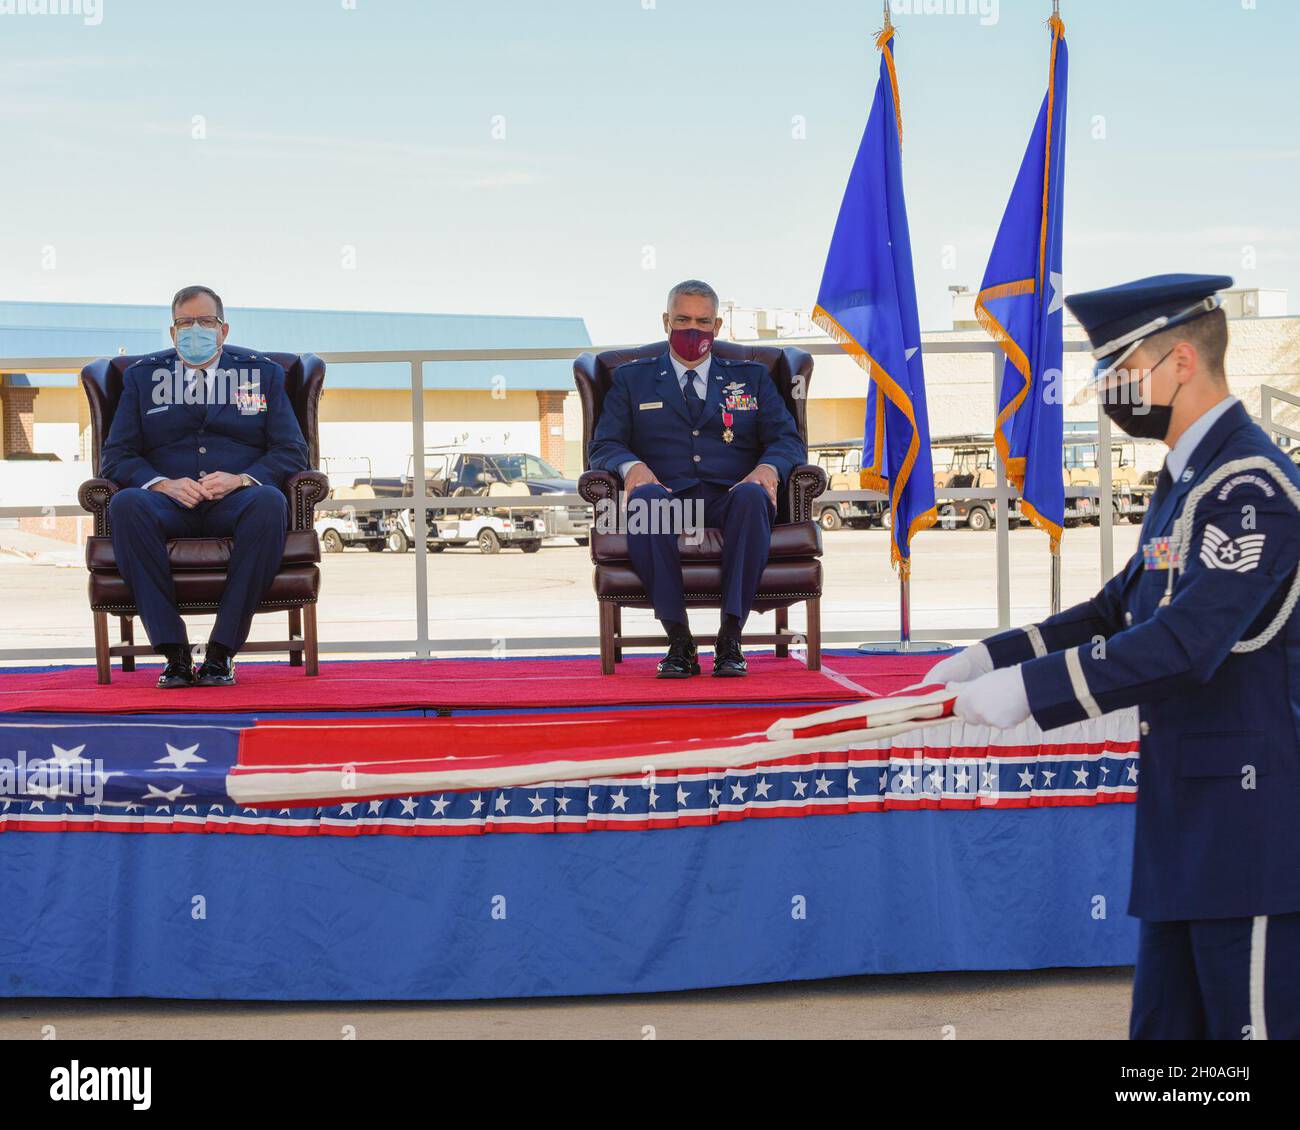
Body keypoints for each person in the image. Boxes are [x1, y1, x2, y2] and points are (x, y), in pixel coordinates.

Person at [930, 274, 1300, 1040]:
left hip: (1251, 832)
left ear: (1180, 364)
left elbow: (1185, 645)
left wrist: (1029, 693)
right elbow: (1116, 610)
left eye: (1118, 369)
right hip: (1184, 824)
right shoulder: (1187, 477)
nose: (1105, 387)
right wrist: (989, 657)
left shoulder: (1249, 484)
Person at [588, 280, 805, 677]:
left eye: (703, 322)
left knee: (754, 497)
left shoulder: (752, 379)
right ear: (665, 321)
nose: (693, 331)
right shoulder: (630, 380)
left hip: (731, 496)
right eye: (683, 320)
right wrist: (631, 467)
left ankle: (730, 638)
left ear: (718, 326)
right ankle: (679, 641)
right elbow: (604, 445)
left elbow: (788, 441)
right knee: (645, 504)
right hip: (668, 499)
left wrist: (767, 468)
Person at [100, 285, 308, 689]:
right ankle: (174, 654)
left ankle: (220, 653)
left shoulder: (261, 374)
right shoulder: (144, 378)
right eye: (185, 322)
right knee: (125, 505)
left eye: (206, 321)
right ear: (173, 332)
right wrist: (161, 485)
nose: (196, 329)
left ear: (224, 329)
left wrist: (241, 479)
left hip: (235, 502)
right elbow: (117, 455)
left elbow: (291, 450)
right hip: (167, 505)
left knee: (268, 501)